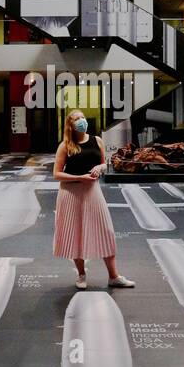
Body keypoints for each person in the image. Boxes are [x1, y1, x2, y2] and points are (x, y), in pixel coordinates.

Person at [53, 109, 135, 290]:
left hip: (92, 191)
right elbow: (57, 174)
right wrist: (79, 178)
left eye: (82, 117)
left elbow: (105, 164)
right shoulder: (65, 145)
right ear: (70, 124)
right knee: (75, 234)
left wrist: (100, 167)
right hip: (70, 194)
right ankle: (81, 275)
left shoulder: (96, 140)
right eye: (77, 119)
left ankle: (114, 276)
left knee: (106, 230)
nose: (81, 120)